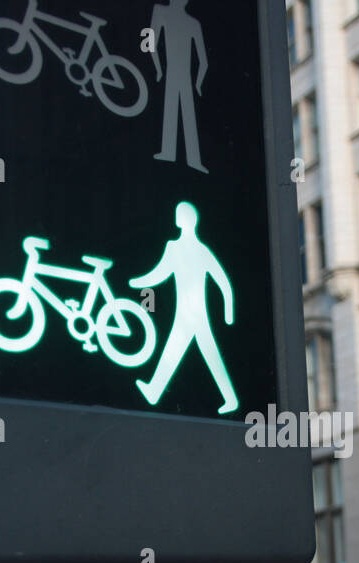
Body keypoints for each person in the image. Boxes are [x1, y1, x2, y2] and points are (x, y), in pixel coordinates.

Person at [130, 202, 237, 414]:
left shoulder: (177, 248)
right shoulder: (199, 249)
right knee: (191, 353)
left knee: (197, 353)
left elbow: (159, 274)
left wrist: (137, 283)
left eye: (179, 215)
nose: (177, 218)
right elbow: (223, 282)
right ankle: (155, 390)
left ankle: (155, 390)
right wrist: (227, 313)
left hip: (190, 315)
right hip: (191, 314)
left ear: (183, 220)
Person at [147, 0, 208, 173]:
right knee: (176, 111)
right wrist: (157, 68)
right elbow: (150, 43)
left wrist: (198, 82)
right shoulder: (161, 12)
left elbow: (203, 59)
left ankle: (190, 158)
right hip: (175, 72)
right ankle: (175, 154)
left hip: (179, 73)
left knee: (183, 113)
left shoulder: (192, 23)